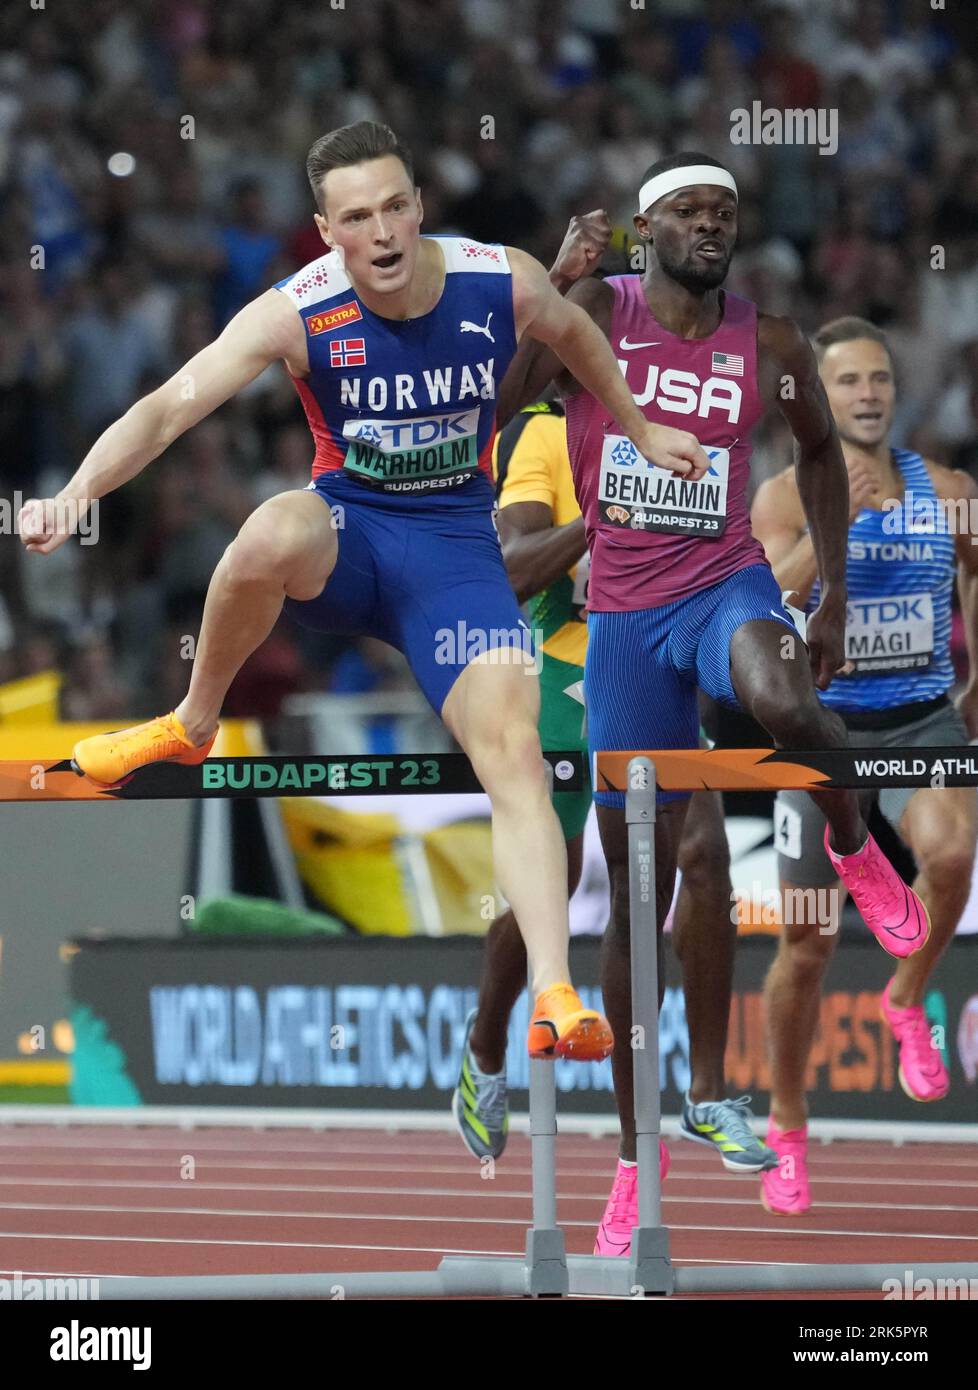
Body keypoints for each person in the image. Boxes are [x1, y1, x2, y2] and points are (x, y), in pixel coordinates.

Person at [20, 122, 709, 1065]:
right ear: (325, 230)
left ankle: (554, 992)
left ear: (418, 205)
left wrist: (636, 427)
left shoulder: (496, 276)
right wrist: (75, 495)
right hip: (347, 535)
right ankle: (191, 720)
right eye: (356, 217)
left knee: (512, 751)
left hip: (455, 556)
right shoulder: (299, 311)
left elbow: (575, 329)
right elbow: (173, 406)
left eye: (394, 206)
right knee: (269, 527)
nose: (381, 232)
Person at [494, 151, 930, 1255]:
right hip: (624, 623)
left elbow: (821, 456)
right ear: (645, 227)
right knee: (642, 884)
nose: (710, 224)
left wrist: (826, 595)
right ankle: (639, 1160)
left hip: (724, 581)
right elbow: (496, 411)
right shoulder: (596, 307)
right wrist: (550, 282)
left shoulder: (772, 343)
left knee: (787, 698)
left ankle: (854, 847)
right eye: (688, 209)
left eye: (724, 212)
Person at [453, 225, 777, 1210]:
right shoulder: (545, 438)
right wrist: (594, 531)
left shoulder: (680, 412)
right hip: (556, 676)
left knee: (705, 860)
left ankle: (707, 1091)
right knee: (543, 889)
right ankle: (482, 1042)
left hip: (653, 661)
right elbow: (506, 570)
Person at [752, 316, 978, 1216]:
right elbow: (768, 598)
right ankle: (788, 1122)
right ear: (818, 393)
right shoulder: (780, 493)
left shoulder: (951, 487)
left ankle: (905, 997)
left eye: (880, 380)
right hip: (819, 737)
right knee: (804, 944)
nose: (870, 395)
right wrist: (827, 520)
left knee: (954, 852)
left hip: (923, 719)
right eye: (849, 382)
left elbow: (976, 566)